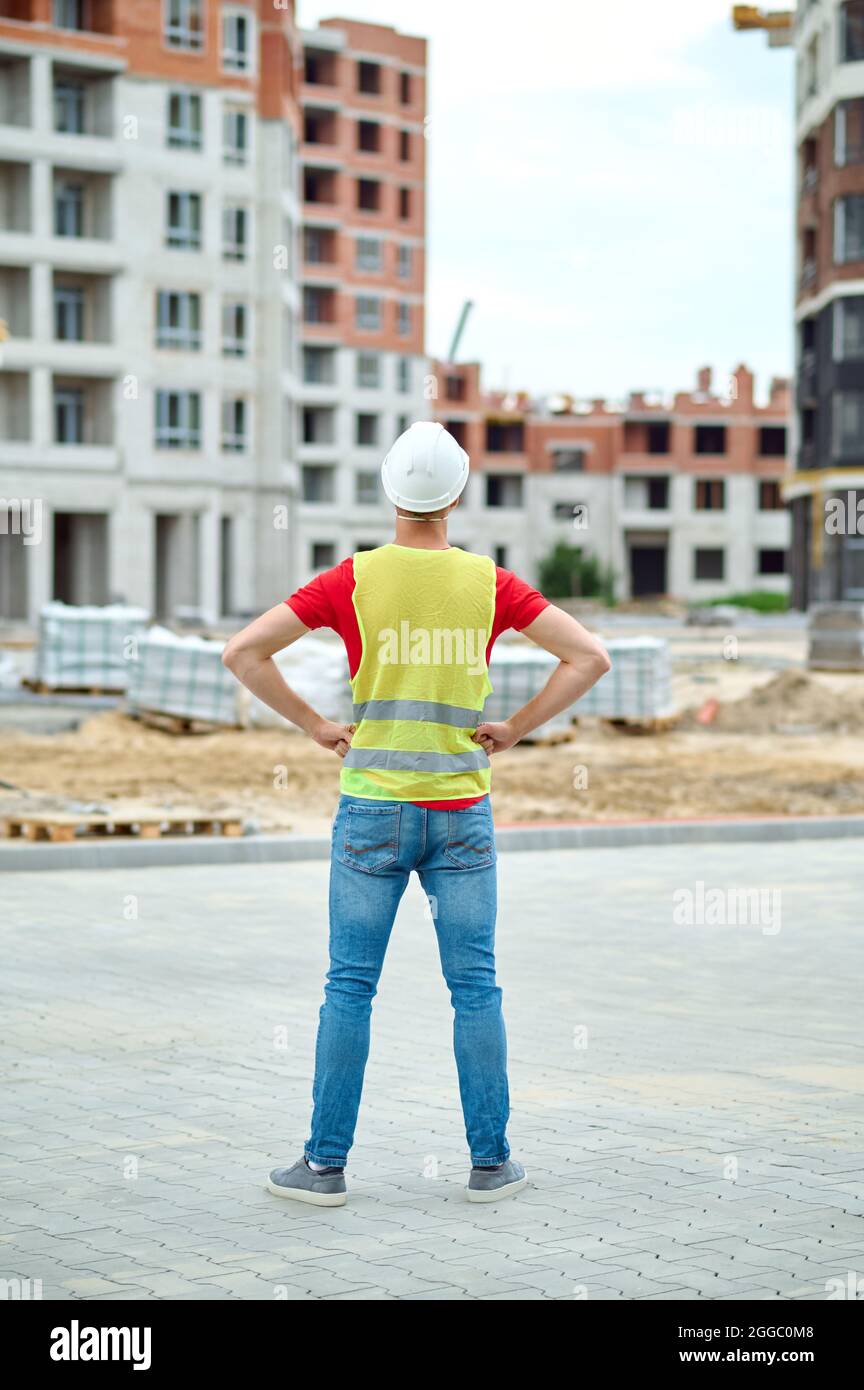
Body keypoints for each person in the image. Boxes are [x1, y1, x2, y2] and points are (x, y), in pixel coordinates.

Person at [223, 422, 611, 1207]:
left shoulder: (353, 580)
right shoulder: (489, 583)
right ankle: (491, 1164)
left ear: (389, 492)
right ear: (457, 497)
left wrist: (316, 726)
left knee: (348, 988)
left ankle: (324, 1167)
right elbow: (589, 657)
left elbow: (242, 653)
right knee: (476, 988)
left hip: (371, 810)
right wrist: (516, 728)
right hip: (461, 810)